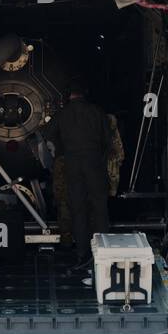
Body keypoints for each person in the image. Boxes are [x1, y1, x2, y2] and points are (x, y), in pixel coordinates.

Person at [45, 83, 111, 268]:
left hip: (73, 164)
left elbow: (48, 134)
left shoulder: (63, 113)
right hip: (94, 162)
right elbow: (108, 140)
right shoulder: (97, 112)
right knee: (99, 207)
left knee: (78, 209)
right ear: (85, 94)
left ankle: (82, 252)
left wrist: (61, 151)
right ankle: (103, 251)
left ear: (69, 95)